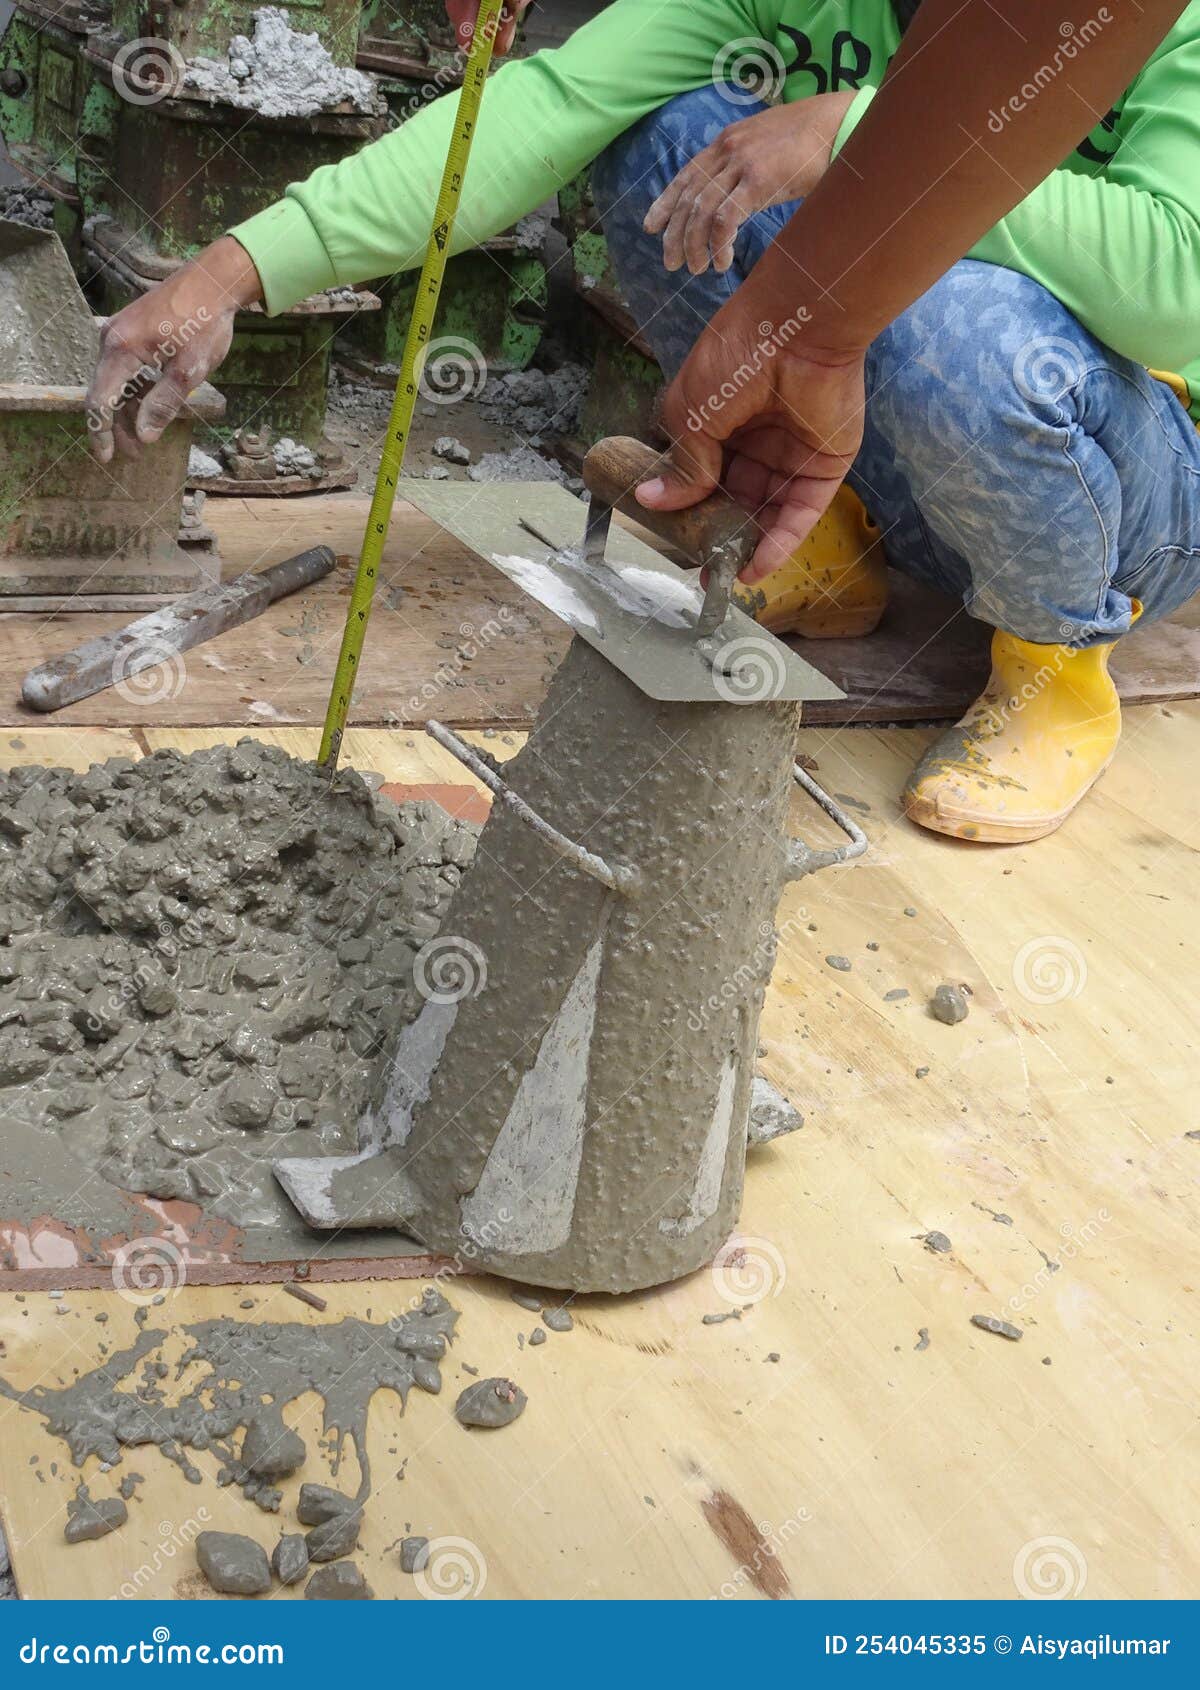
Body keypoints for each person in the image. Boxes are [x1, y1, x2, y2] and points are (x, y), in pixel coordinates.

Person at [87, 0, 1198, 843]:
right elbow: (548, 107)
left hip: (1128, 483)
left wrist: (861, 136)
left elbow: (1175, 279)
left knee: (948, 301)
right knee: (677, 141)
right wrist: (235, 270)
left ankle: (1053, 663)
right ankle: (820, 534)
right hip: (913, 447)